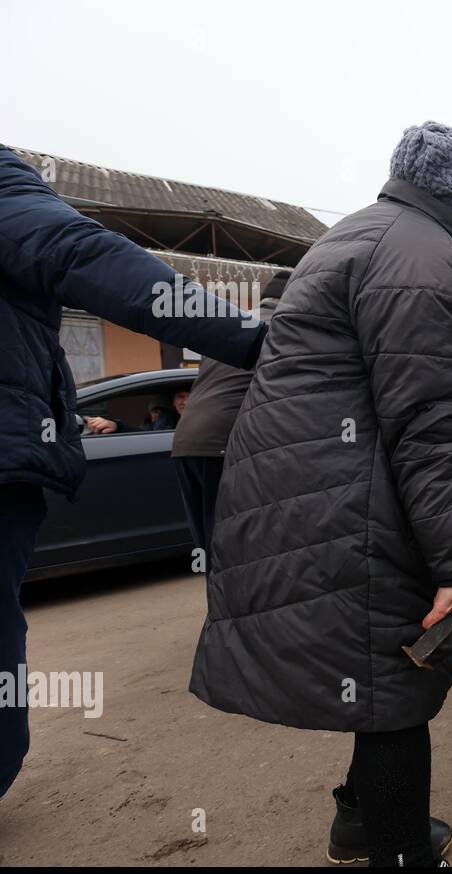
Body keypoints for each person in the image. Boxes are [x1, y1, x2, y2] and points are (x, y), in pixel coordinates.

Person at [189, 122, 452, 866]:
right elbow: (425, 431)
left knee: (376, 666)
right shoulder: (422, 259)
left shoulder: (352, 236)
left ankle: (360, 822)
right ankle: (397, 852)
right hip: (356, 505)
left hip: (319, 494)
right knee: (398, 685)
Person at [0, 145, 266, 800]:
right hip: (206, 451)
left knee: (211, 549)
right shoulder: (8, 186)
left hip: (187, 451)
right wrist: (257, 338)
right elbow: (89, 258)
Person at [170, 271, 291, 554]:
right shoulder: (284, 326)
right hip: (226, 444)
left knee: (210, 544)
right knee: (239, 550)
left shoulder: (233, 321)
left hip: (187, 442)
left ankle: (218, 597)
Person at [84, 388, 188, 434]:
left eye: (191, 396)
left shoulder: (203, 423)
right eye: (181, 397)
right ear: (173, 402)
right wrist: (116, 426)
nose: (186, 402)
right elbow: (146, 435)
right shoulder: (165, 422)